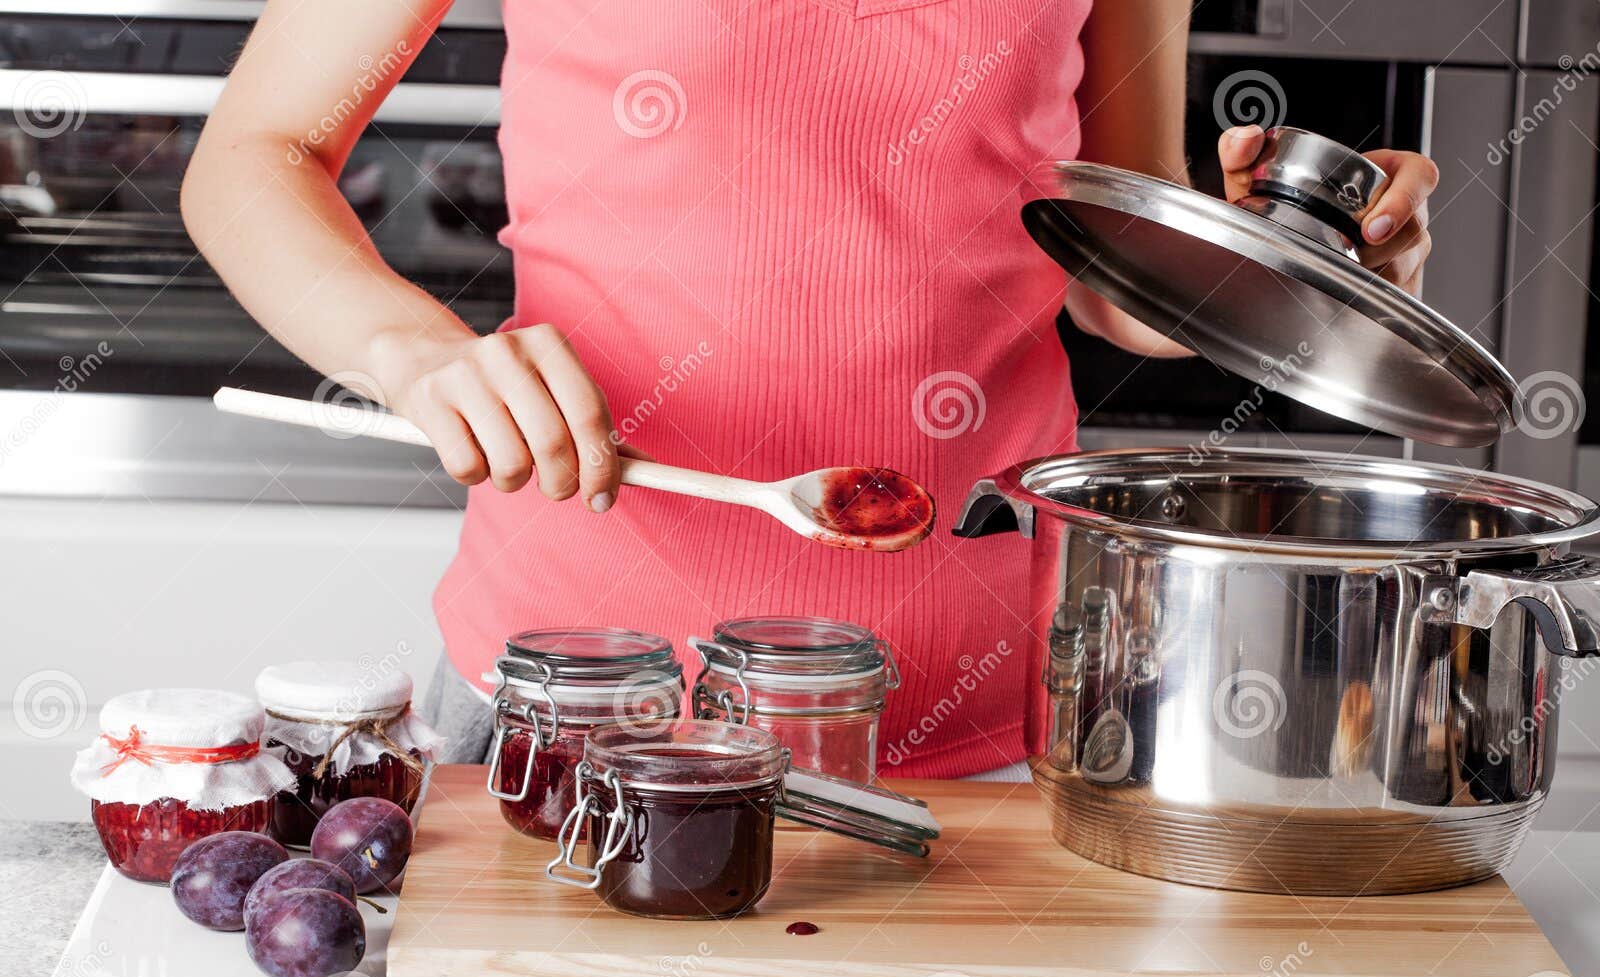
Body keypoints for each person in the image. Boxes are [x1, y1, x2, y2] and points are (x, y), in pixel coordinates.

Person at [182, 1, 1438, 778]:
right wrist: (412, 353)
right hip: (588, 684)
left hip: (984, 694)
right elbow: (257, 153)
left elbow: (1109, 277)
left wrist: (1298, 264)